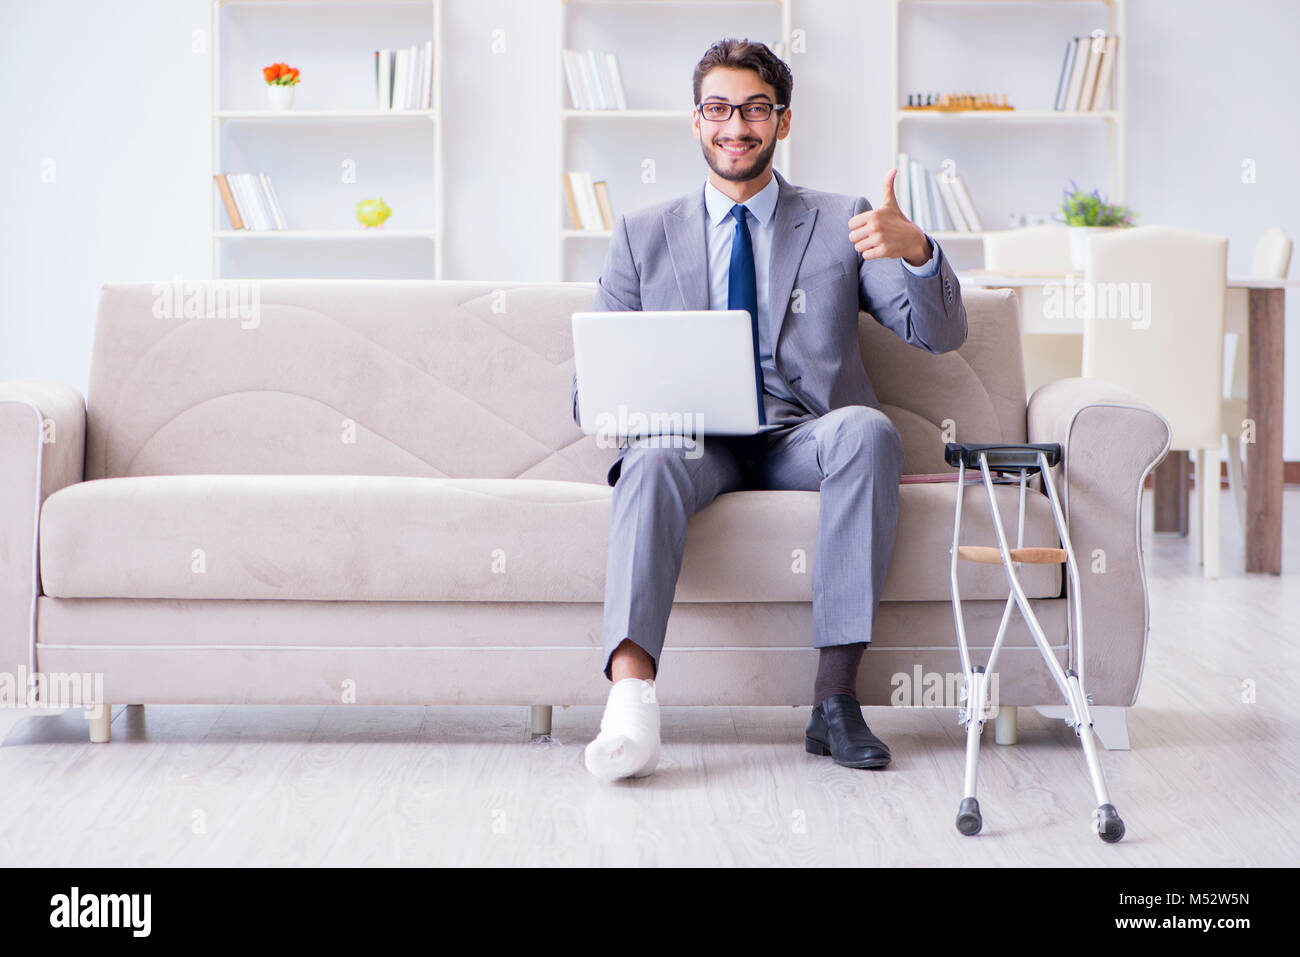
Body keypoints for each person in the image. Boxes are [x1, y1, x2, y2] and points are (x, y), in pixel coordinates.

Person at [570, 38, 967, 782]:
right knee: (651, 458)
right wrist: (637, 396)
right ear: (695, 123)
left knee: (868, 429)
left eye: (756, 109)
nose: (736, 126)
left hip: (803, 435)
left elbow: (938, 335)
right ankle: (630, 698)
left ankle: (835, 702)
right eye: (718, 109)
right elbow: (589, 391)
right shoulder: (641, 234)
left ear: (782, 122)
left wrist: (915, 249)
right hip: (697, 442)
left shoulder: (840, 219)